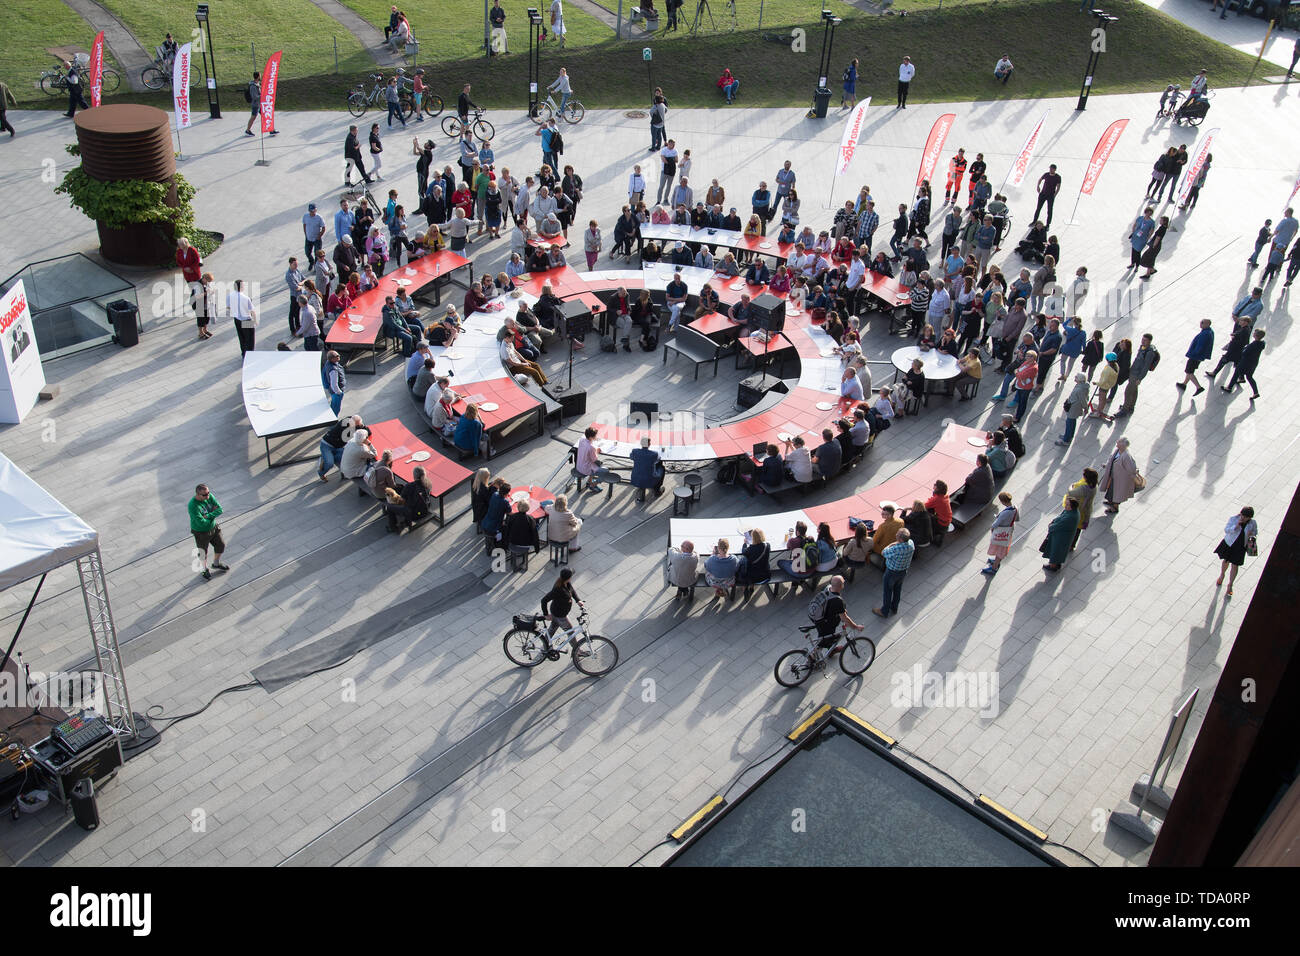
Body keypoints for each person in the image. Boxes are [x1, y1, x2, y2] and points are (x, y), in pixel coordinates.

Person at [1214, 507, 1258, 598]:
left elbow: (1255, 532)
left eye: (1245, 517)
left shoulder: (1252, 523)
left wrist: (1251, 533)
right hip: (1230, 544)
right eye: (1242, 515)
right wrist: (1236, 526)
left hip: (1241, 546)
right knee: (1226, 561)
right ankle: (1222, 575)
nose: (1243, 518)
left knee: (1235, 565)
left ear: (1249, 518)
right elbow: (1226, 530)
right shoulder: (1234, 519)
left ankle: (1230, 585)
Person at [812, 576, 865, 651]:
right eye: (843, 583)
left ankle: (831, 650)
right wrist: (856, 627)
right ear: (841, 586)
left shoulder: (828, 588)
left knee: (827, 637)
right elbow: (844, 617)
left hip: (817, 615)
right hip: (823, 622)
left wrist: (842, 610)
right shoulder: (837, 601)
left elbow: (831, 606)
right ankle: (812, 656)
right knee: (825, 639)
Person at [188, 484, 229, 581]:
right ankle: (204, 569)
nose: (208, 496)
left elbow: (220, 509)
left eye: (208, 493)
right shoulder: (193, 506)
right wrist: (213, 515)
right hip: (201, 532)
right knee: (202, 552)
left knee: (221, 545)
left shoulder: (209, 497)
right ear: (198, 494)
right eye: (205, 495)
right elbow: (202, 523)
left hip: (214, 527)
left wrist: (209, 516)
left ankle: (216, 564)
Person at [873, 529, 914, 619]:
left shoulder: (896, 548)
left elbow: (883, 552)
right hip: (903, 572)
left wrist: (891, 544)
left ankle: (884, 611)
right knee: (897, 590)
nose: (896, 535)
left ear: (900, 539)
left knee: (887, 591)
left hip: (891, 572)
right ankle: (894, 607)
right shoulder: (911, 543)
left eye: (897, 535)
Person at [980, 492, 1018, 576]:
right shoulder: (1015, 508)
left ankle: (994, 567)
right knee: (1001, 549)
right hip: (1008, 531)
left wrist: (993, 527)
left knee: (1000, 551)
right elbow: (1017, 518)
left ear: (1003, 501)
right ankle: (995, 563)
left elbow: (996, 524)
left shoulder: (1005, 513)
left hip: (1002, 533)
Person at [1099, 437, 1138, 515]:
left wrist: (1135, 472)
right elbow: (1112, 460)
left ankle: (1114, 508)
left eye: (1118, 443)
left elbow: (1131, 468)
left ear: (1123, 446)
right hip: (1114, 477)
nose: (1116, 443)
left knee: (1117, 494)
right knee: (1111, 490)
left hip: (1120, 480)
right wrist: (1106, 465)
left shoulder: (1126, 456)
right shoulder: (1118, 451)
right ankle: (1110, 502)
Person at [1040, 498, 1080, 573]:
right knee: (1058, 551)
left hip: (1061, 537)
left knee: (1056, 551)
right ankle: (1056, 564)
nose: (1065, 505)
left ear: (1072, 506)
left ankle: (1053, 566)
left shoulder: (1070, 517)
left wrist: (1051, 526)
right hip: (1062, 536)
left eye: (1067, 504)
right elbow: (1060, 517)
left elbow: (1059, 525)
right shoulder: (1072, 512)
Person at [1224, 328, 1265, 400]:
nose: (1253, 334)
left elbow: (1245, 353)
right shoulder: (1262, 344)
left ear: (1256, 335)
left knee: (1236, 373)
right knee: (1249, 377)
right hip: (1253, 363)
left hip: (1245, 362)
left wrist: (1245, 348)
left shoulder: (1253, 345)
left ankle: (1229, 387)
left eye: (1254, 333)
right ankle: (1256, 392)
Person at [1064, 468, 1099, 552]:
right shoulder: (1094, 486)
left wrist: (1071, 486)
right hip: (1086, 511)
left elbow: (1071, 493)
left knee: (1072, 527)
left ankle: (1068, 544)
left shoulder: (1083, 488)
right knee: (1078, 529)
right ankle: (1072, 545)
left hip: (1078, 509)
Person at [1177, 318, 1214, 395]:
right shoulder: (1209, 331)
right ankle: (1184, 384)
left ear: (1207, 324)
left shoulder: (1205, 334)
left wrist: (1194, 353)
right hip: (1198, 356)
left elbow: (1200, 346)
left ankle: (1198, 387)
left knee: (1189, 372)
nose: (1201, 324)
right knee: (1189, 370)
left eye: (1202, 323)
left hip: (1195, 356)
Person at [227, 279, 257, 356]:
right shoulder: (246, 298)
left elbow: (228, 307)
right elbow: (252, 311)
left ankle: (244, 352)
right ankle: (249, 355)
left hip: (237, 319)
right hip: (246, 320)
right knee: (250, 339)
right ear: (241, 287)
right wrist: (255, 320)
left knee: (241, 337)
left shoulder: (229, 296)